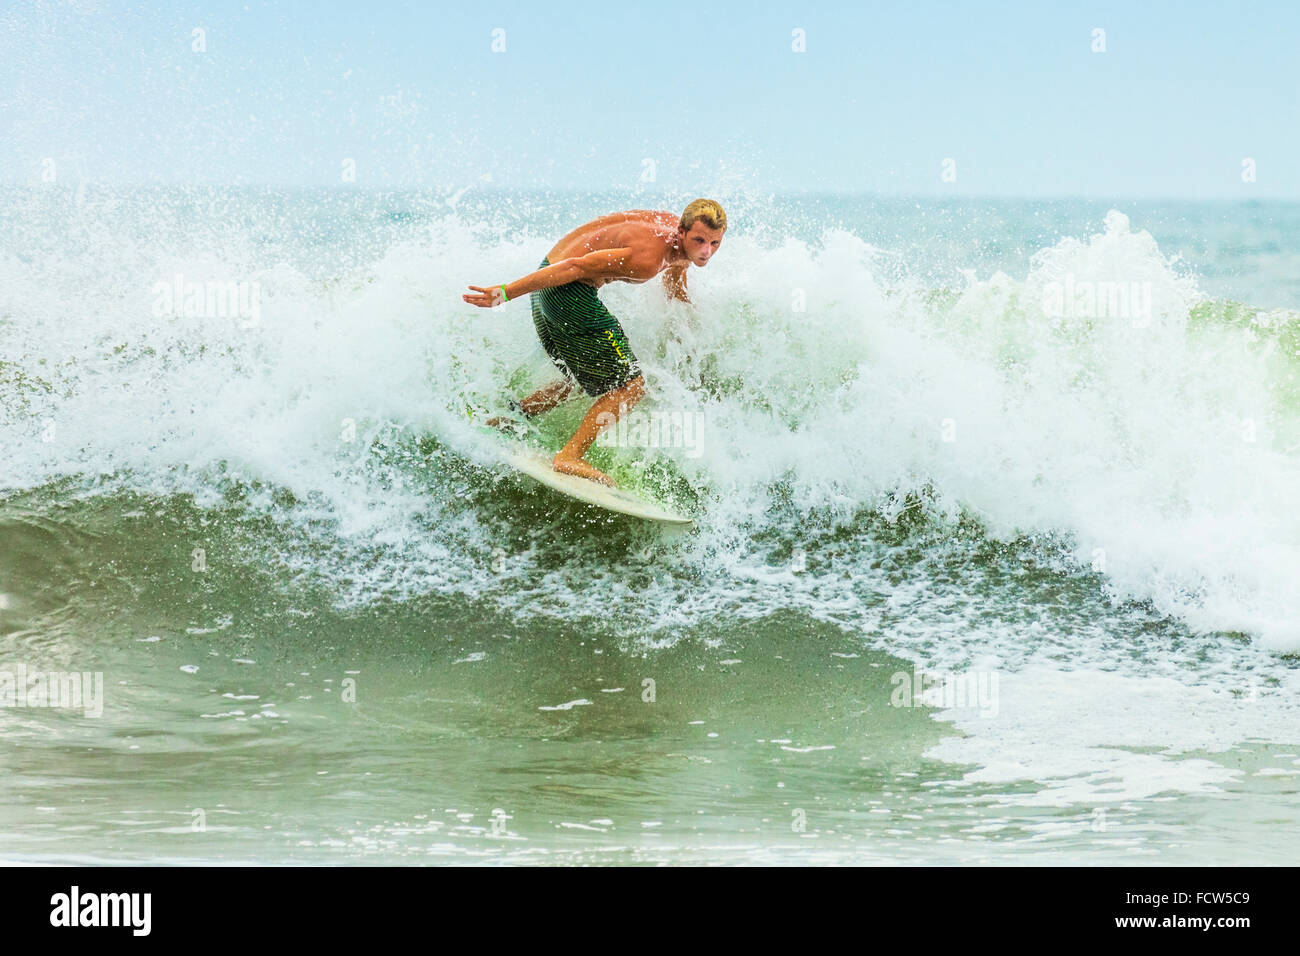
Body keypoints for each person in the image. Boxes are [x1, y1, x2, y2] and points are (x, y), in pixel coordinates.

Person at [462, 199, 726, 486]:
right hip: (566, 292)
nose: (706, 251)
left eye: (715, 243)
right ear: (682, 232)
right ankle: (569, 456)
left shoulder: (672, 230)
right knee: (631, 386)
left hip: (547, 280)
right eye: (700, 240)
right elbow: (576, 266)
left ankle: (507, 418)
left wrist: (690, 329)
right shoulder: (648, 260)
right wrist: (504, 293)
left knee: (580, 380)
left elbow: (676, 277)